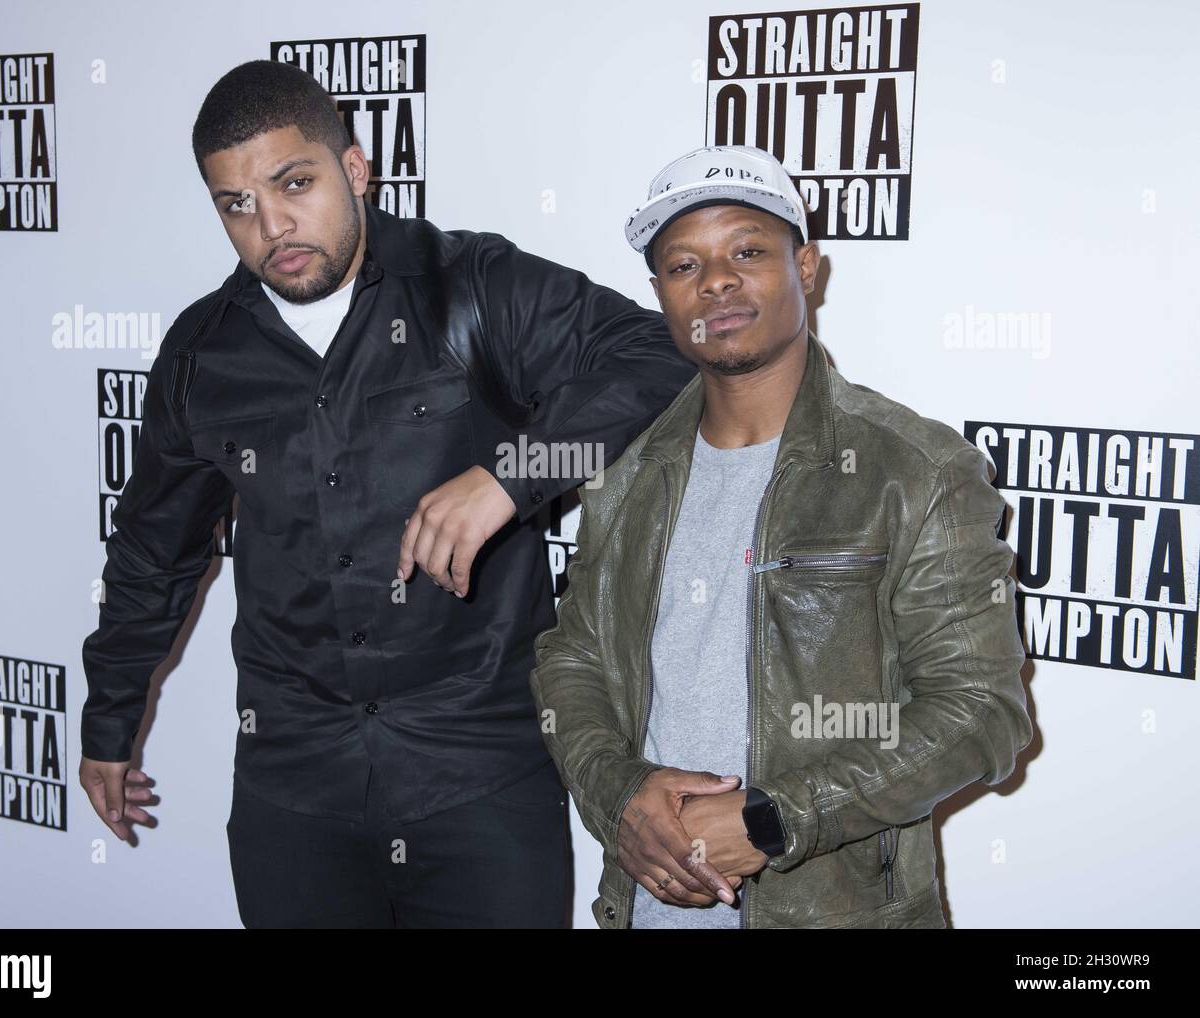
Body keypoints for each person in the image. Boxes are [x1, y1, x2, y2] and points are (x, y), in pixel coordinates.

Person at [77, 59, 696, 928]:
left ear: (356, 170)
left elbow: (662, 354)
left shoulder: (471, 285)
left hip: (480, 779)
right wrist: (109, 721)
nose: (273, 226)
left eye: (295, 183)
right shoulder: (202, 354)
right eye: (236, 204)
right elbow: (152, 553)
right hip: (292, 788)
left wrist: (509, 478)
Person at [530, 144, 1034, 928]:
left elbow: (981, 713)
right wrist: (617, 791)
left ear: (806, 268)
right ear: (661, 293)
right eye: (683, 264)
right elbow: (573, 660)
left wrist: (775, 818)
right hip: (648, 908)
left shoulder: (914, 473)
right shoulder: (627, 476)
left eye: (748, 251)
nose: (717, 281)